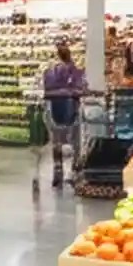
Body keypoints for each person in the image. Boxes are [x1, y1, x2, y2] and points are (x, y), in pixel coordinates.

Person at [42, 41, 88, 188]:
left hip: (55, 110)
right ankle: (74, 171)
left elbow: (46, 90)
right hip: (72, 110)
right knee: (75, 143)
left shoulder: (49, 72)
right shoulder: (77, 72)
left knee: (56, 143)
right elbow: (82, 89)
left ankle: (58, 171)